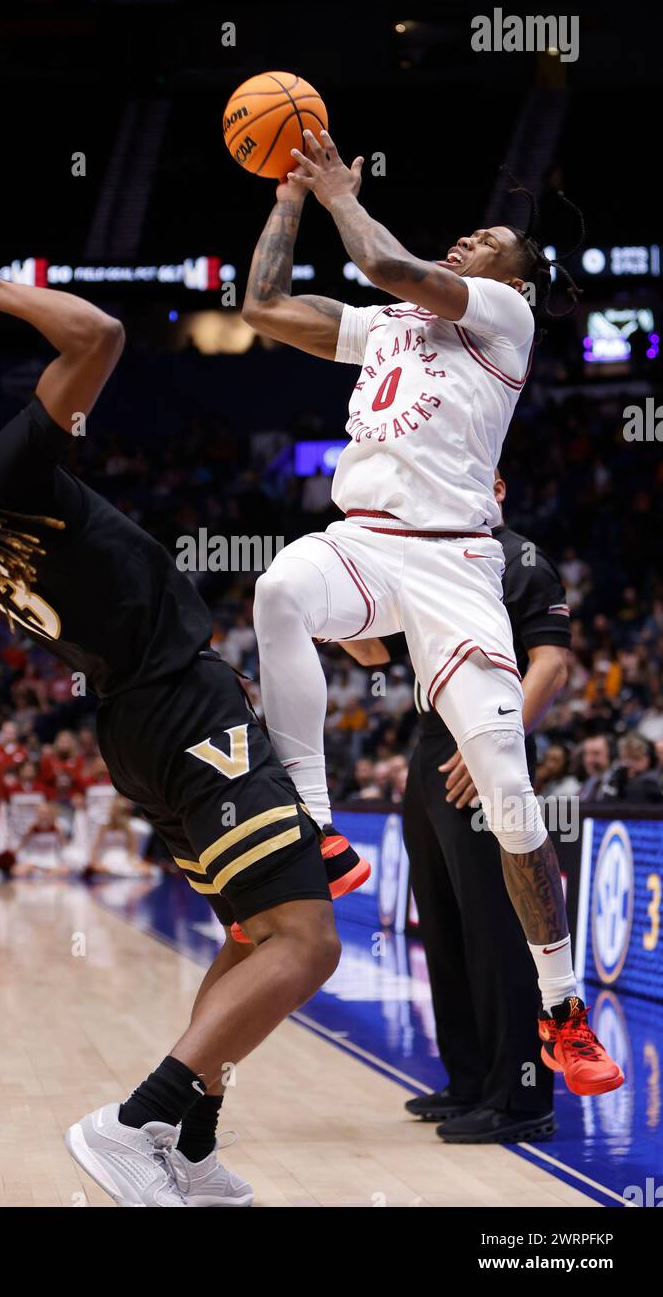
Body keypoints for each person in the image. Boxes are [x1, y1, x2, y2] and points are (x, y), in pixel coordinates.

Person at [0, 248, 369, 1209]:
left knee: (257, 935)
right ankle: (134, 1123)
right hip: (176, 710)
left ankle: (192, 1143)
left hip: (145, 720)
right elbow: (101, 334)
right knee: (307, 943)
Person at [242, 130, 623, 1096]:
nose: (469, 243)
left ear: (516, 280)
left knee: (505, 783)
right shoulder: (388, 328)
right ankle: (317, 828)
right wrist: (289, 194)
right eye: (467, 235)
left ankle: (562, 1011)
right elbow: (260, 307)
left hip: (456, 561)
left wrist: (336, 191)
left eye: (487, 238)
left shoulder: (502, 319)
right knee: (280, 587)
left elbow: (381, 258)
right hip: (369, 540)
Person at [344, 470, 572, 1142]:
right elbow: (371, 652)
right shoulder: (424, 563)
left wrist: (494, 744)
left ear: (498, 488)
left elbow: (552, 665)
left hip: (487, 742)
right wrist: (341, 602)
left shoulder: (523, 559)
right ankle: (469, 1077)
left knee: (499, 922)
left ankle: (523, 1101)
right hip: (428, 744)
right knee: (441, 919)